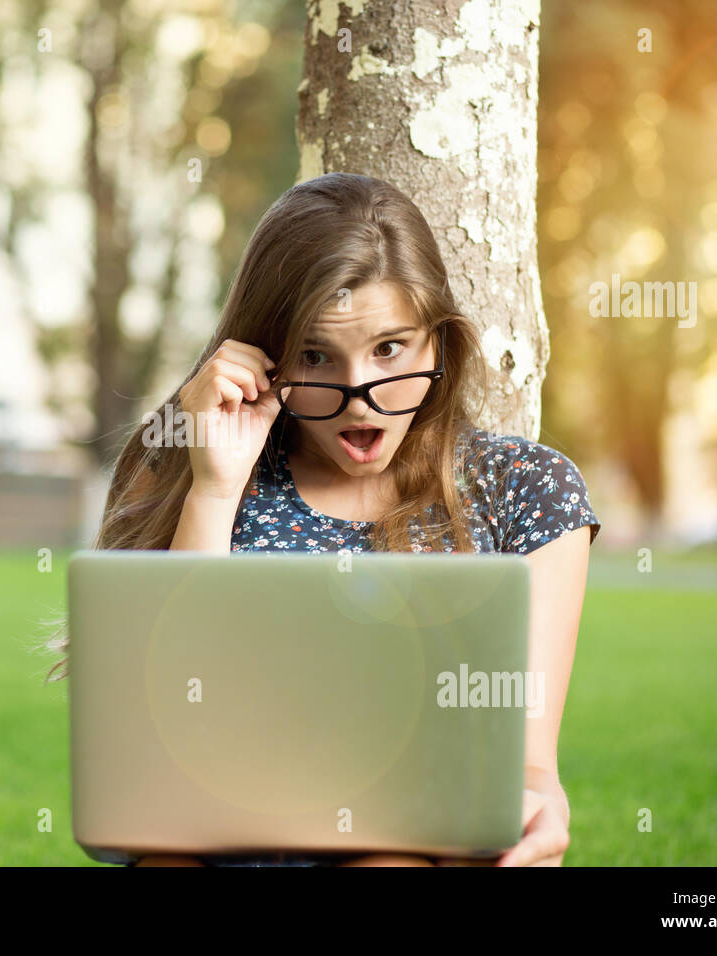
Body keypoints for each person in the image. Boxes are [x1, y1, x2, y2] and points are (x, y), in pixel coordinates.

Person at [42, 171, 601, 867]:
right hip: (205, 848)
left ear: (438, 343)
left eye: (389, 349)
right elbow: (160, 749)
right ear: (264, 355)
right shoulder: (185, 455)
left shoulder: (526, 488)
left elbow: (523, 772)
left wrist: (536, 817)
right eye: (315, 356)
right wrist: (214, 492)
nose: (357, 398)